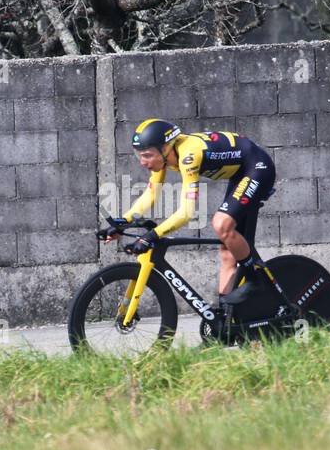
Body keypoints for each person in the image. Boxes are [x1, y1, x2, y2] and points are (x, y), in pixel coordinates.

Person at [101, 118, 279, 308]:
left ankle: (254, 280)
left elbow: (186, 212)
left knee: (221, 224)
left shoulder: (189, 155)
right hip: (240, 173)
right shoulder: (165, 156)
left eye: (147, 155)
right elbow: (150, 195)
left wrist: (151, 236)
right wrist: (123, 222)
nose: (143, 162)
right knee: (227, 253)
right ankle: (226, 323)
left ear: (165, 148)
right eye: (140, 156)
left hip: (258, 168)